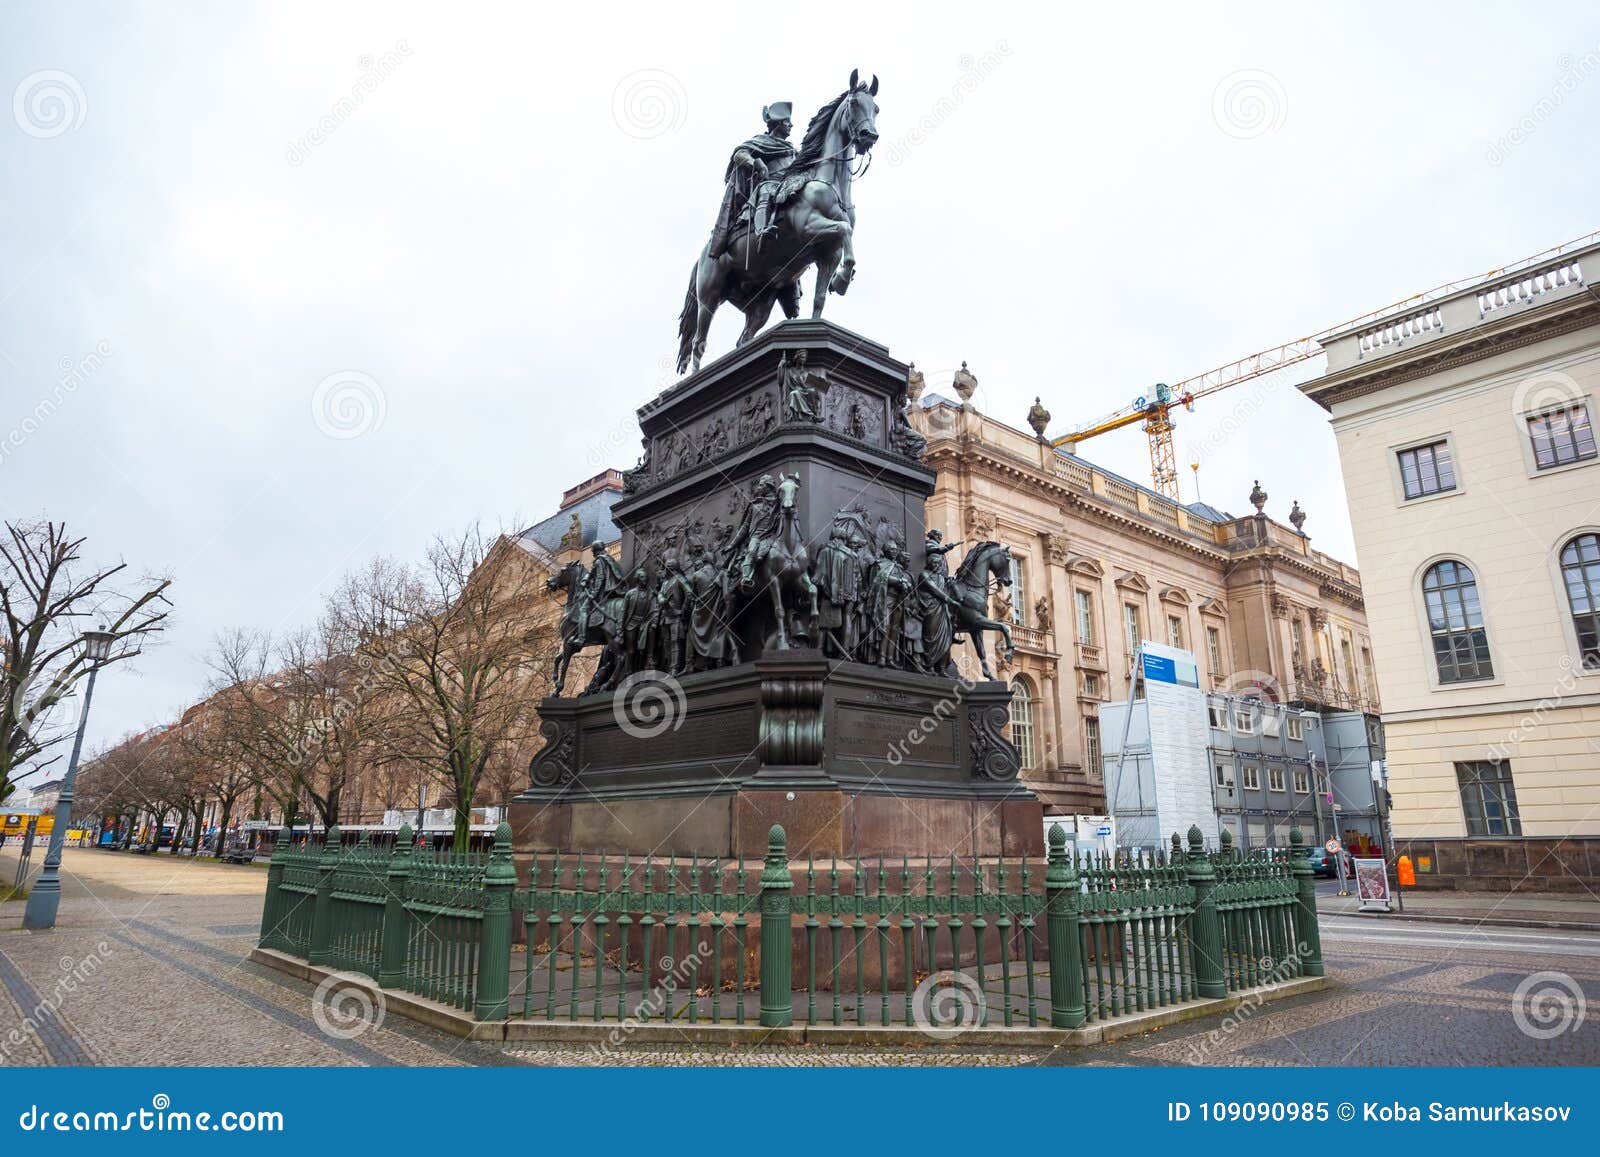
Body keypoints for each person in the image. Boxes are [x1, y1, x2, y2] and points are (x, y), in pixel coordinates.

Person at [709, 102, 796, 259]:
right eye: (787, 121)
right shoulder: (762, 141)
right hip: (770, 183)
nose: (791, 125)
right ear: (778, 123)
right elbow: (739, 154)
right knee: (767, 191)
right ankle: (761, 232)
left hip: (789, 184)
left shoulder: (792, 149)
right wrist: (756, 164)